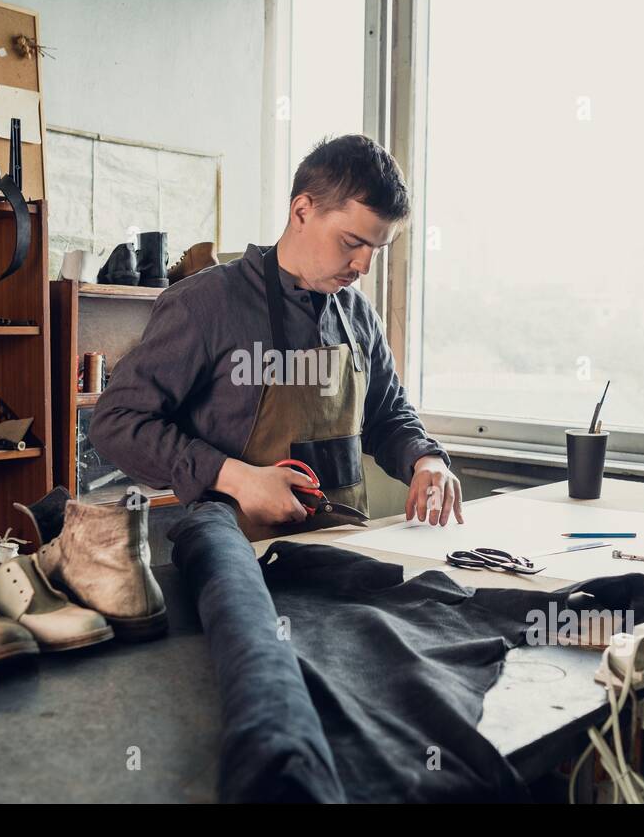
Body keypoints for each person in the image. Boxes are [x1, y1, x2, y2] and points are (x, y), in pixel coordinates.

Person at [89, 134, 463, 540]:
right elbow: (115, 422)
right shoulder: (204, 304)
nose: (364, 265)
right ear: (302, 211)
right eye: (352, 242)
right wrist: (234, 477)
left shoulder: (358, 315)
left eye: (378, 249)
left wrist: (425, 459)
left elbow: (387, 417)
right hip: (234, 561)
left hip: (343, 553)